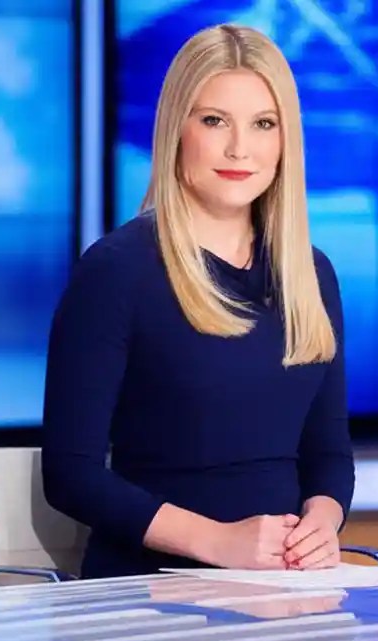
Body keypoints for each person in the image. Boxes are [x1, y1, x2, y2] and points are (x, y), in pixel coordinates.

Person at [41, 24, 354, 579]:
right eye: (214, 121)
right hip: (148, 597)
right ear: (176, 130)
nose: (240, 148)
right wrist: (218, 543)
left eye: (263, 124)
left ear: (286, 140)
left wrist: (320, 526)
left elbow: (328, 456)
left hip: (283, 592)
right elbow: (71, 474)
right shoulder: (116, 271)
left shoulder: (312, 274)